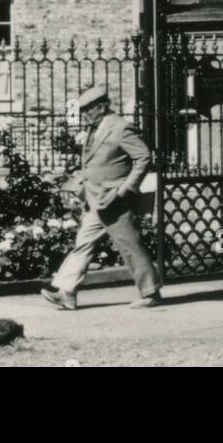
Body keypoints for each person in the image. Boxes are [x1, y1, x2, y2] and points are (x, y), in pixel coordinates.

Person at [41, 86, 160, 310]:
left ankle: (150, 292)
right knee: (83, 244)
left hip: (115, 200)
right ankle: (66, 292)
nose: (84, 114)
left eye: (88, 109)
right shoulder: (93, 129)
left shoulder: (121, 128)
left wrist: (126, 189)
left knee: (130, 245)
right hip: (95, 199)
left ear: (102, 107)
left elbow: (143, 157)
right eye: (82, 109)